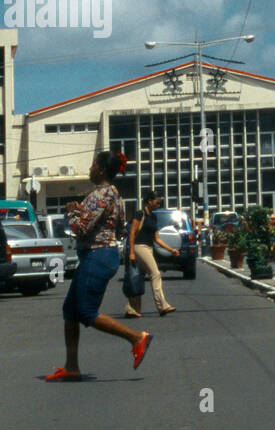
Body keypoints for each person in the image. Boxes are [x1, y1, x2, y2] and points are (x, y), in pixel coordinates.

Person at [46, 151, 152, 381]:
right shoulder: (116, 195)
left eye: (94, 165)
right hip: (103, 255)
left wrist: (72, 212)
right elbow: (119, 226)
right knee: (70, 311)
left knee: (85, 311)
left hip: (98, 255)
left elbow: (80, 228)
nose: (91, 169)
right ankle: (71, 367)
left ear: (102, 170)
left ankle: (136, 337)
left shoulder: (100, 194)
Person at [125, 189, 177, 319]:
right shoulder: (139, 214)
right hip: (139, 247)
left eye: (160, 203)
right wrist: (131, 252)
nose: (158, 205)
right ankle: (162, 306)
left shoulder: (153, 216)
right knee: (155, 274)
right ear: (149, 201)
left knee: (137, 278)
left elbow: (157, 238)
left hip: (149, 248)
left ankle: (131, 309)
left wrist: (171, 250)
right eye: (157, 202)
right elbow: (132, 233)